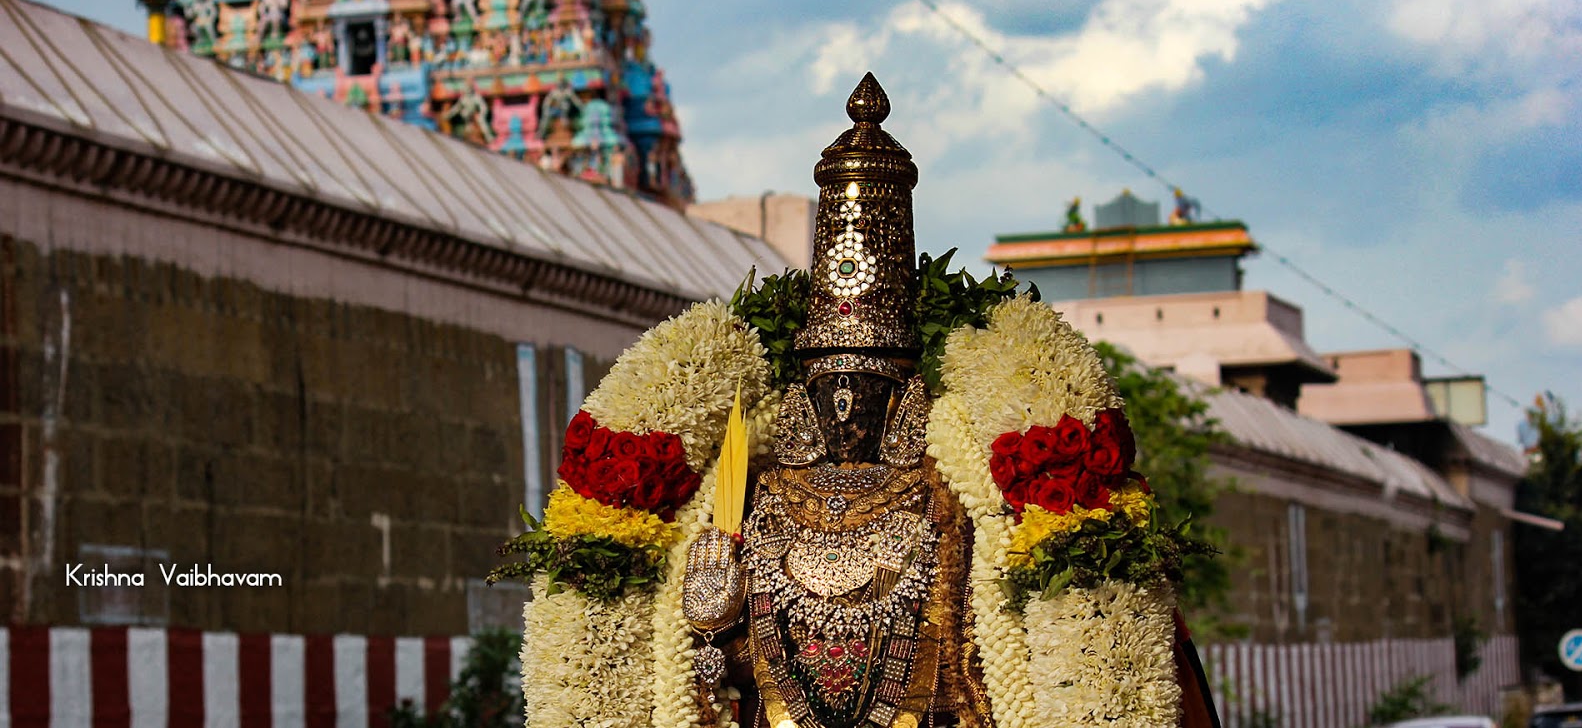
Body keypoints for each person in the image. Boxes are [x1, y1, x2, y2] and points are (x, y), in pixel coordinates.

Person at [510, 74, 1221, 728]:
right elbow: (713, 660)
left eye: (870, 385)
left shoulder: (953, 492)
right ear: (796, 395)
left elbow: (982, 663)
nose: (847, 405)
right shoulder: (750, 491)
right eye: (828, 386)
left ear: (912, 393)